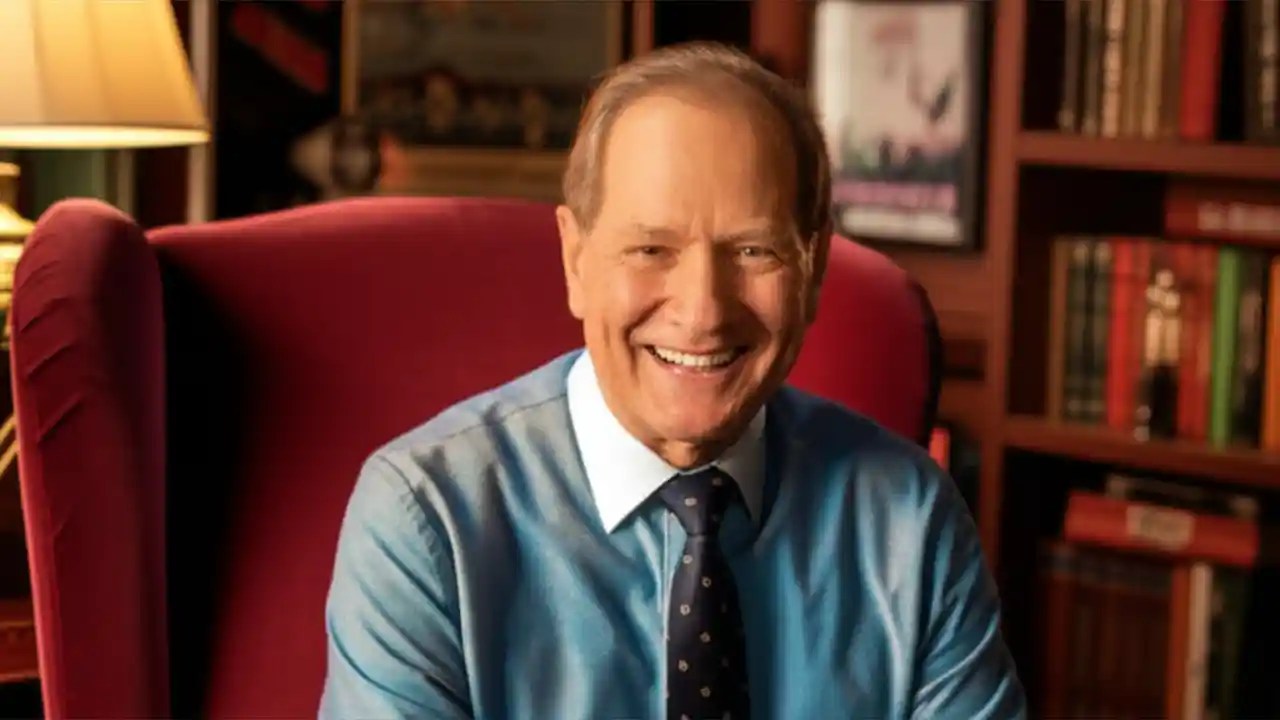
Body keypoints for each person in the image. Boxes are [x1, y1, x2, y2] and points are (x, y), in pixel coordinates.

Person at [319, 41, 1026, 719]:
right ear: (576, 261)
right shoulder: (425, 521)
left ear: (811, 269)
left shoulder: (910, 519)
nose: (703, 311)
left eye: (753, 250)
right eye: (652, 248)